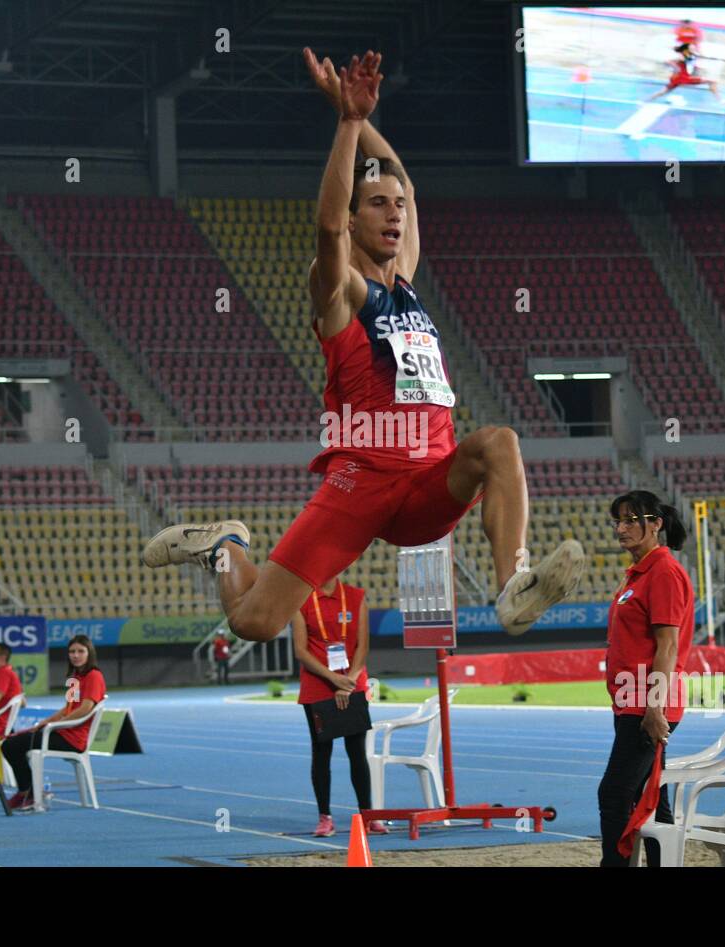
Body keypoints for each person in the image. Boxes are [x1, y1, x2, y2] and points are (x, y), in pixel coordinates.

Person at [141, 48, 585, 646]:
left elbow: (396, 169)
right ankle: (226, 547)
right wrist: (347, 125)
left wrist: (350, 111)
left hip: (428, 481)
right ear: (353, 221)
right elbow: (325, 228)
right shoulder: (339, 293)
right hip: (361, 482)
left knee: (497, 443)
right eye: (378, 203)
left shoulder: (405, 279)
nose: (395, 212)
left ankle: (512, 587)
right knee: (255, 622)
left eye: (399, 205)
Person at [598, 491, 694, 867]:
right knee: (652, 796)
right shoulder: (638, 574)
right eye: (618, 521)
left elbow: (667, 647)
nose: (622, 529)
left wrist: (655, 708)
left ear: (655, 524)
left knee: (614, 793)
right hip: (632, 700)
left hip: (647, 704)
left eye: (631, 520)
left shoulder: (664, 573)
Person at [289, 574, 386, 837]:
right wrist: (334, 680)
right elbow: (301, 651)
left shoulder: (356, 597)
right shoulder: (301, 599)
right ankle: (325, 818)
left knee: (357, 752)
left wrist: (349, 681)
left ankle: (368, 816)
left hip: (353, 682)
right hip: (318, 685)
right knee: (322, 753)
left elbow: (362, 646)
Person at [2, 635, 106, 812]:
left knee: (12, 745)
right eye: (72, 651)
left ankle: (30, 792)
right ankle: (29, 791)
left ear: (90, 653)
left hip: (73, 739)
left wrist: (58, 725)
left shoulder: (94, 676)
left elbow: (86, 708)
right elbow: (68, 708)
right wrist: (45, 722)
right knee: (11, 743)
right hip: (61, 732)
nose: (75, 655)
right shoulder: (74, 677)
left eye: (81, 651)